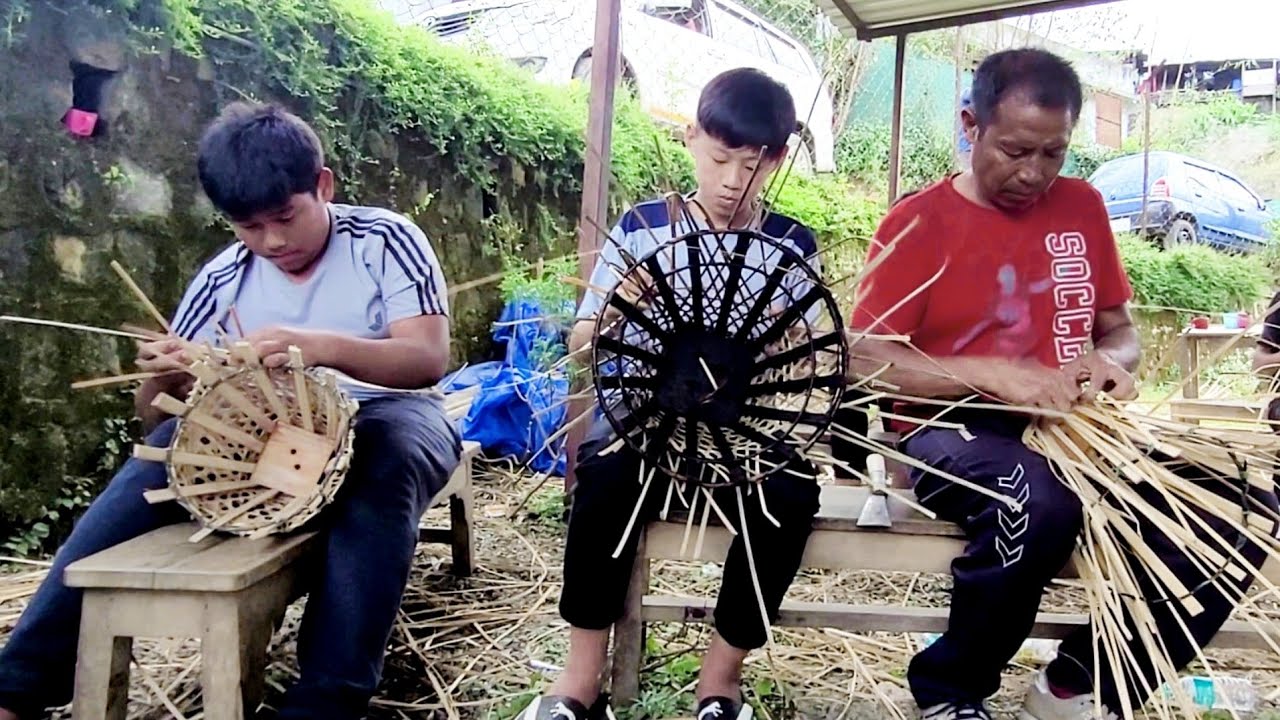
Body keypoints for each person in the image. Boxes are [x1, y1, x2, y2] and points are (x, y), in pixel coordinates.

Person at [848, 48, 1278, 720]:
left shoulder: (1081, 205)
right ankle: (951, 690)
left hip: (1073, 425)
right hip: (947, 427)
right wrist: (990, 376)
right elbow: (863, 357)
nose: (1033, 173)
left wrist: (1112, 362)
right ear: (971, 125)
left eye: (1053, 153)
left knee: (1240, 503)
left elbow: (1120, 331)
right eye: (1016, 149)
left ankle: (1079, 681)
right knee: (1037, 502)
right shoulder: (918, 223)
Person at [0, 102, 462, 720]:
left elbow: (426, 358)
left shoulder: (384, 241)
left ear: (322, 186)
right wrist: (166, 370)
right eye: (248, 225)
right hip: (265, 431)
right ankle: (17, 685)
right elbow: (157, 418)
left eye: (285, 216)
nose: (272, 241)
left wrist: (319, 349)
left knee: (384, 465)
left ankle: (327, 699)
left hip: (389, 411)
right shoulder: (223, 278)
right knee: (159, 457)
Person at [519, 67, 820, 720]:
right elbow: (581, 344)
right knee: (600, 480)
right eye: (719, 159)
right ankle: (580, 681)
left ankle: (720, 685)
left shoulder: (793, 246)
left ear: (778, 160)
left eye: (753, 164)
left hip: (746, 425)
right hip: (646, 421)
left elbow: (816, 363)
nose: (734, 181)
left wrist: (792, 340)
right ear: (689, 141)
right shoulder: (642, 227)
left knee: (791, 495)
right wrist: (611, 313)